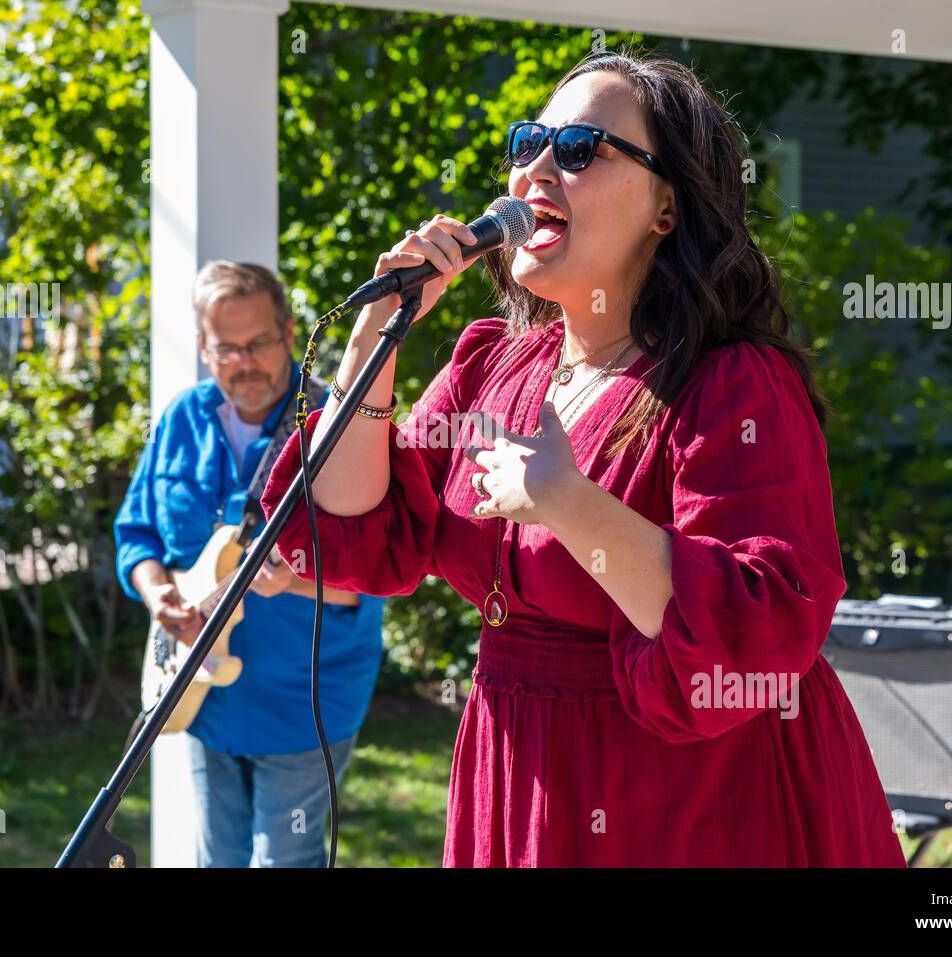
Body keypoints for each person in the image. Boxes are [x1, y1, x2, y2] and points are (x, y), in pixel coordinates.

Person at [259, 50, 906, 866]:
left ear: (667, 206)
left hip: (692, 799)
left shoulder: (736, 383)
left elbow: (759, 625)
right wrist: (374, 344)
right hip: (520, 774)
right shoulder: (492, 362)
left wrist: (568, 502)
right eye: (529, 140)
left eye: (578, 149)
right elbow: (352, 530)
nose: (534, 167)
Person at [114, 261, 385, 867]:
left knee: (283, 861)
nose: (245, 362)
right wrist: (158, 594)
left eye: (259, 342)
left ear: (290, 332)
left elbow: (381, 576)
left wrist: (296, 580)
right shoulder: (182, 419)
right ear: (204, 350)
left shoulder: (334, 426)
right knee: (218, 860)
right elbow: (137, 533)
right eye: (227, 348)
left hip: (304, 696)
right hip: (201, 690)